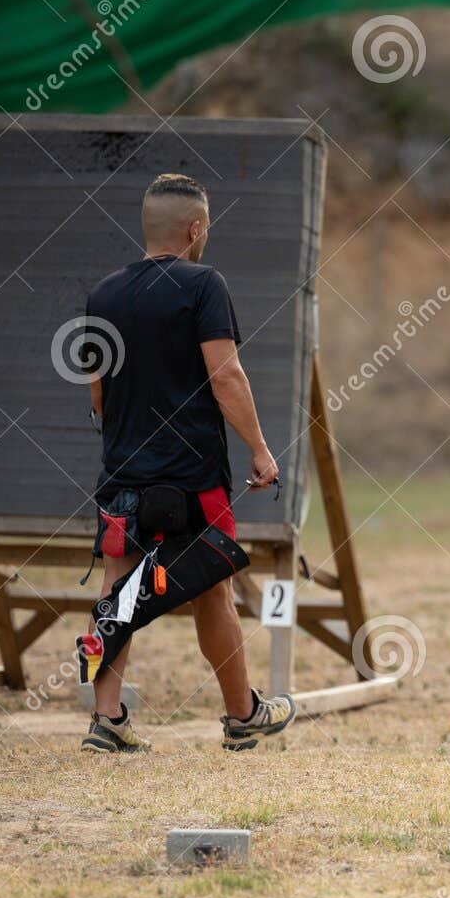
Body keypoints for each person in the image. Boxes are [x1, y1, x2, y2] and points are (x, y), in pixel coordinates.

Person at [79, 173, 295, 753]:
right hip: (195, 477)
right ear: (195, 229)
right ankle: (242, 715)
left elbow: (98, 393)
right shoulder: (204, 285)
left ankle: (106, 720)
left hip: (123, 474)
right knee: (212, 590)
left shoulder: (102, 294)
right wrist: (259, 449)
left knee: (117, 591)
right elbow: (225, 375)